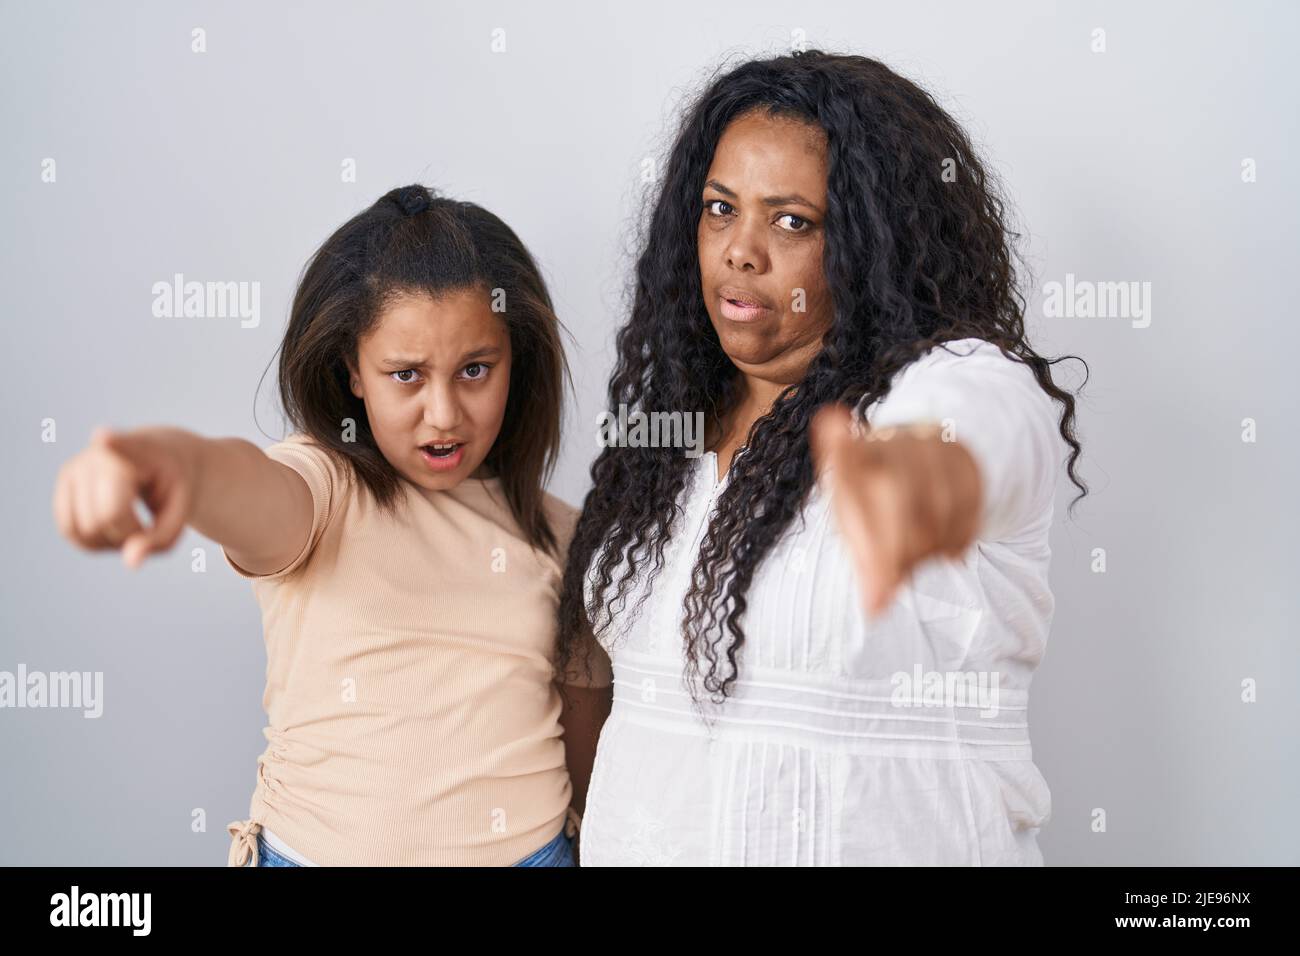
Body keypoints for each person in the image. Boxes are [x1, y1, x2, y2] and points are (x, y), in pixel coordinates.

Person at [558, 51, 1087, 865]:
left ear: (876, 244)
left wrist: (916, 487)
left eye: (792, 221)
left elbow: (975, 445)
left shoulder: (960, 382)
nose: (740, 250)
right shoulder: (667, 436)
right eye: (720, 208)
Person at [52, 184, 611, 866]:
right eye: (405, 374)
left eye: (475, 370)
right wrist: (170, 466)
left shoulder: (562, 534)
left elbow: (590, 757)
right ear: (351, 370)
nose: (443, 412)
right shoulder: (322, 488)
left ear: (515, 361)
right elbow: (243, 485)